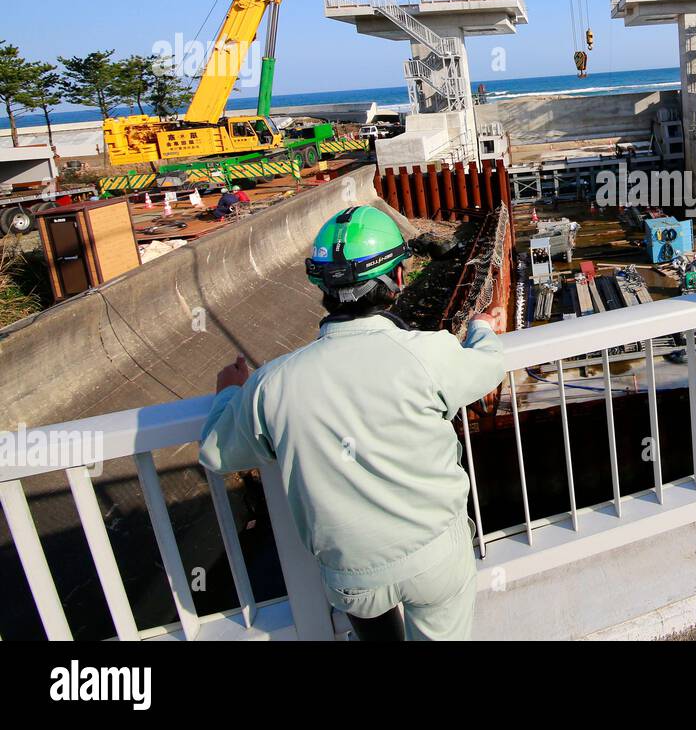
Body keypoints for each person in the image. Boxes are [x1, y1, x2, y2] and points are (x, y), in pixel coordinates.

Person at [198, 205, 506, 640]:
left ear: (320, 286)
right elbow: (488, 368)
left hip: (352, 573)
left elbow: (216, 451)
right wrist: (482, 329)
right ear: (397, 280)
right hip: (435, 550)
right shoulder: (426, 353)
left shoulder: (273, 384)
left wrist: (230, 392)